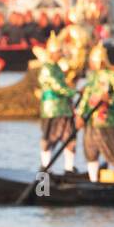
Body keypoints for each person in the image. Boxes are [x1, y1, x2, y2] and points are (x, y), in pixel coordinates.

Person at [75, 43, 114, 183]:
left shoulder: (113, 74)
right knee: (90, 150)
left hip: (106, 120)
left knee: (113, 150)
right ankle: (93, 180)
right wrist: (79, 115)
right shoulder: (92, 77)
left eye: (92, 61)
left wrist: (109, 99)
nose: (90, 63)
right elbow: (86, 97)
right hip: (90, 120)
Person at [36, 38, 79, 174]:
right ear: (53, 53)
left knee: (69, 138)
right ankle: (45, 168)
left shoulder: (58, 68)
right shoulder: (47, 68)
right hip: (52, 109)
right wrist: (74, 91)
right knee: (49, 138)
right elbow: (57, 86)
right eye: (59, 52)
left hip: (64, 109)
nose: (61, 54)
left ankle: (69, 168)